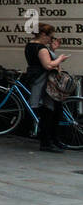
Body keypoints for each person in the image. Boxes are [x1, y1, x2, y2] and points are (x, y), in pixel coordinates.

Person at [24, 23, 68, 153]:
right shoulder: (41, 48)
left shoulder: (30, 45)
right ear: (43, 34)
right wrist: (60, 59)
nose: (52, 39)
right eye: (51, 36)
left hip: (38, 80)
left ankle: (54, 140)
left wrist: (53, 50)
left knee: (53, 111)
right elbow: (48, 65)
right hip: (45, 83)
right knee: (49, 112)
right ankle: (47, 142)